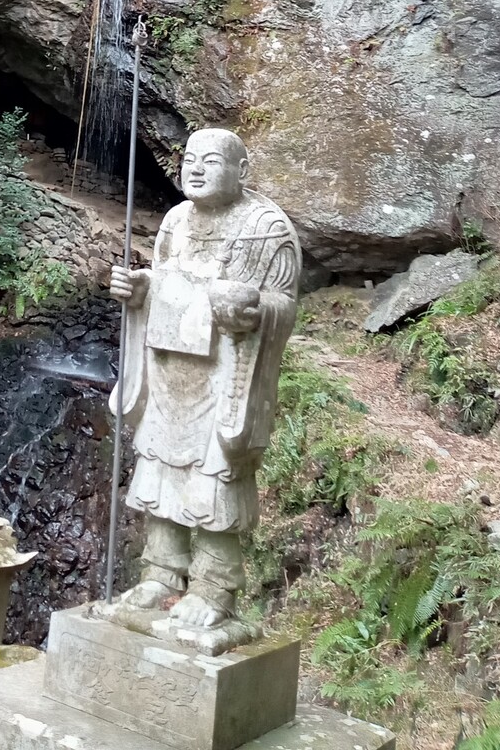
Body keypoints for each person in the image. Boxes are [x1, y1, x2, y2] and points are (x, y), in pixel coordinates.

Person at [108, 127, 300, 634]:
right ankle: (161, 572)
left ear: (241, 169)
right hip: (170, 369)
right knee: (158, 465)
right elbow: (163, 280)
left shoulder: (267, 229)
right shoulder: (174, 221)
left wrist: (254, 310)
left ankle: (214, 587)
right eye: (189, 159)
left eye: (209, 161)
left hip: (225, 375)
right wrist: (137, 287)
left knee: (214, 475)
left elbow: (283, 305)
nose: (193, 169)